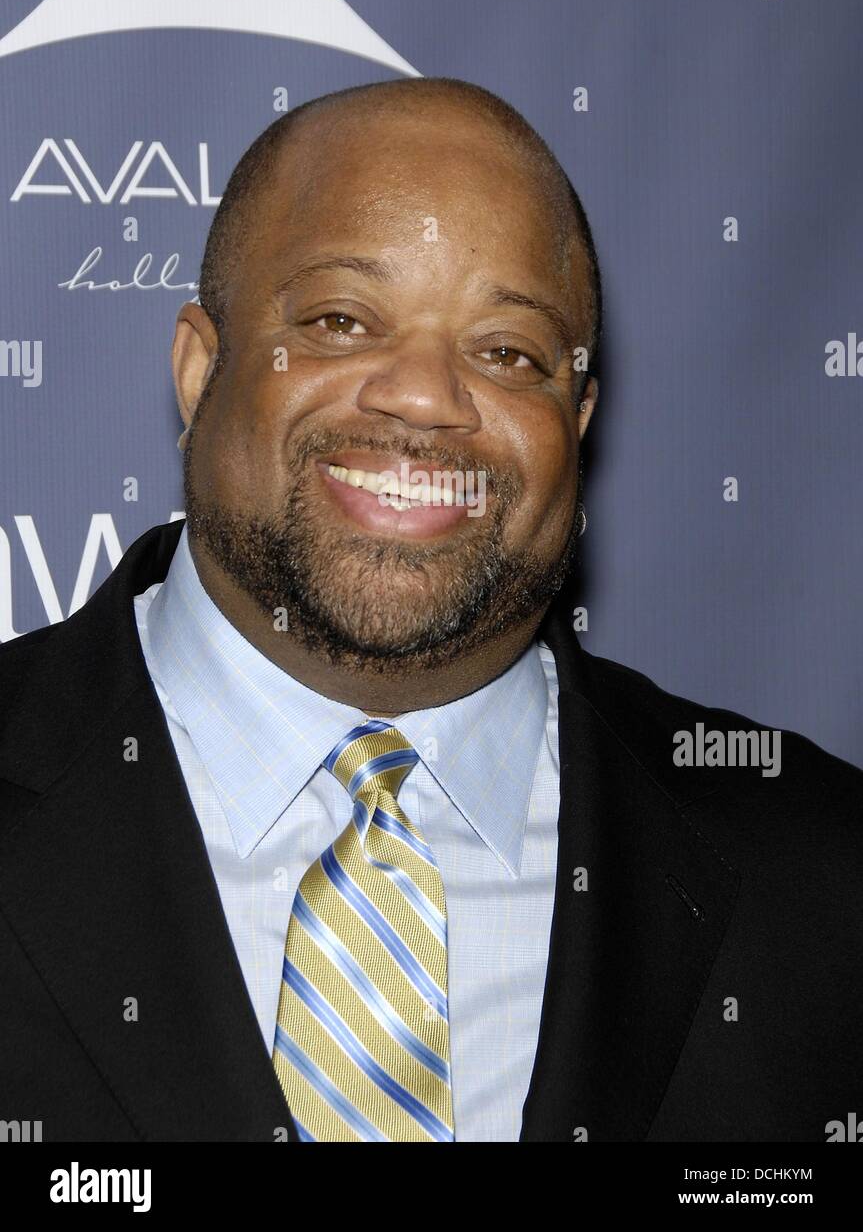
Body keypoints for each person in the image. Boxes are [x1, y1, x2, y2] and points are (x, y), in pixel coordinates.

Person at [0, 77, 860, 1143]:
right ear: (199, 368)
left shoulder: (823, 880)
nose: (424, 395)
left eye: (506, 352)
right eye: (338, 319)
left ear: (576, 419)